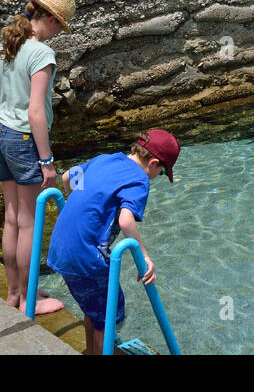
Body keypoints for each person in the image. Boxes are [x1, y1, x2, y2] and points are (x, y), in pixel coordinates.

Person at [0, 0, 76, 316]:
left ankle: (14, 292)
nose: (56, 35)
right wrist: (47, 160)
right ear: (50, 19)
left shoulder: (6, 46)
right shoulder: (41, 55)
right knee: (29, 222)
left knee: (11, 219)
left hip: (2, 136)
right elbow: (36, 111)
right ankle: (28, 301)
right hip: (24, 142)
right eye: (58, 28)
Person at [48, 129, 181, 355]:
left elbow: (67, 177)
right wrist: (145, 256)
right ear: (153, 163)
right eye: (161, 171)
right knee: (110, 312)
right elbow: (126, 220)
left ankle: (92, 351)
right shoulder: (139, 180)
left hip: (60, 247)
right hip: (85, 255)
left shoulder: (106, 159)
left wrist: (78, 205)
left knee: (95, 309)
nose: (157, 176)